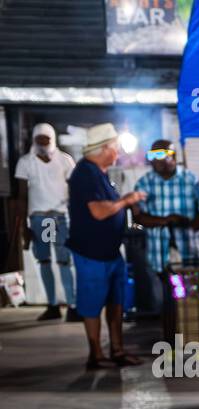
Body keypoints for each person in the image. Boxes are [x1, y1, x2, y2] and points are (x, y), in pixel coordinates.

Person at [67, 123, 148, 369]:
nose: (118, 153)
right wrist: (127, 201)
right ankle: (96, 355)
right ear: (103, 148)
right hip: (92, 253)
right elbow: (99, 211)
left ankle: (117, 350)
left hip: (111, 252)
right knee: (92, 304)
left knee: (116, 302)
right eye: (115, 148)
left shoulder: (100, 173)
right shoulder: (85, 173)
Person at [12, 122, 78, 321]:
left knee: (63, 260)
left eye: (45, 139)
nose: (42, 143)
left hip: (58, 217)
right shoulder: (26, 162)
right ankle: (53, 305)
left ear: (52, 139)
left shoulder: (65, 160)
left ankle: (72, 304)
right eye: (38, 139)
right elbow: (22, 195)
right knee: (45, 261)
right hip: (40, 218)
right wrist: (24, 225)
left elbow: (74, 191)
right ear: (33, 140)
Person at [132, 140, 199, 278]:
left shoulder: (191, 179)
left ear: (173, 156)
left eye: (160, 154)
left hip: (192, 254)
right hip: (158, 258)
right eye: (152, 155)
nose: (155, 160)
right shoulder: (144, 183)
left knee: (194, 298)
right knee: (161, 298)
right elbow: (139, 217)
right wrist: (168, 220)